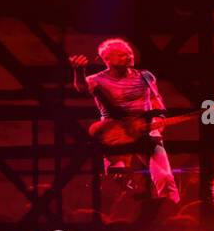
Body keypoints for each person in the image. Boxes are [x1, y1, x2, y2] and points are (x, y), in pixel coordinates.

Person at [69, 38, 180, 202]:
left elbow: (156, 99)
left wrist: (158, 118)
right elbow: (82, 87)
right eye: (122, 55)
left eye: (129, 53)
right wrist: (79, 71)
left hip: (145, 129)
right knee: (120, 178)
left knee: (164, 175)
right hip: (115, 133)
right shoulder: (96, 79)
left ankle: (170, 206)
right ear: (107, 59)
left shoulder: (145, 76)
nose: (129, 57)